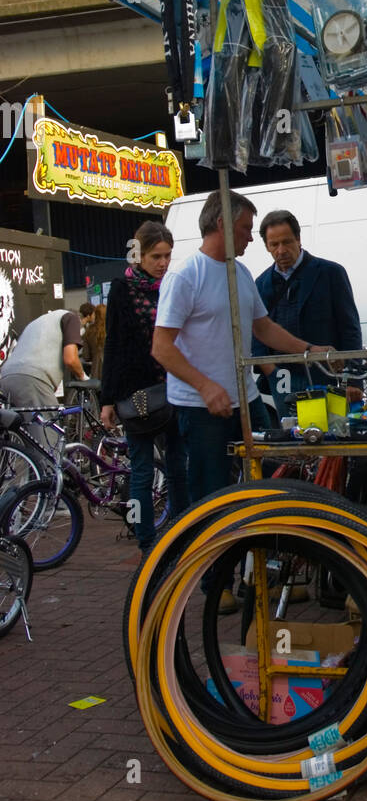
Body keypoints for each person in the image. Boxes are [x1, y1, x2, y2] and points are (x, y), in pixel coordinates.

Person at [152, 190, 329, 609]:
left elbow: (263, 329)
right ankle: (217, 583)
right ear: (220, 226)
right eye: (246, 229)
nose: (252, 238)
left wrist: (309, 351)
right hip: (202, 408)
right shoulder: (185, 276)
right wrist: (205, 386)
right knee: (211, 494)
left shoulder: (241, 273)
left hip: (244, 398)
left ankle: (266, 571)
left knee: (273, 476)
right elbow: (161, 347)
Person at [100, 221, 190, 557]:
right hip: (136, 392)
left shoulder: (173, 285)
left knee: (179, 466)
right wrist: (107, 399)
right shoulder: (122, 289)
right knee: (141, 469)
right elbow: (113, 343)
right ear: (139, 254)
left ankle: (183, 531)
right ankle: (147, 540)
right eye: (156, 256)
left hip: (174, 388)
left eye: (167, 255)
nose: (163, 263)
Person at [252, 209, 363, 420]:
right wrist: (272, 373)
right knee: (296, 444)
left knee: (335, 440)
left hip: (329, 376)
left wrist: (353, 380)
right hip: (284, 380)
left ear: (299, 239)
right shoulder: (260, 284)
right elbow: (256, 337)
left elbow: (350, 330)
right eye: (274, 245)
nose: (281, 250)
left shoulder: (331, 273)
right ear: (266, 246)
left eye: (287, 242)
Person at [0, 308, 85, 446]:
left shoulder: (35, 323)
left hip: (6, 377)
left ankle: (30, 465)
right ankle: (48, 468)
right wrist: (83, 377)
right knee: (50, 439)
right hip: (31, 378)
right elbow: (71, 359)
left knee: (30, 439)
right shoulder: (70, 318)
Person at [81, 303, 106, 380]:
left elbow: (86, 356)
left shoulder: (89, 331)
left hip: (96, 374)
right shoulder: (114, 329)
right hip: (114, 372)